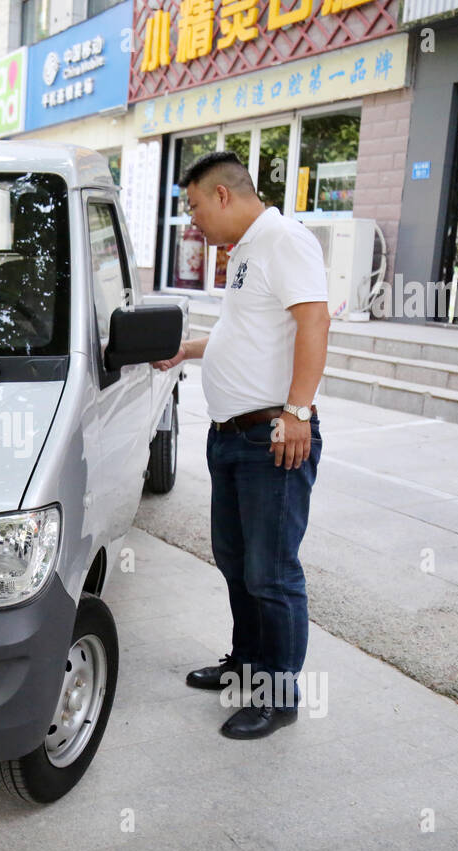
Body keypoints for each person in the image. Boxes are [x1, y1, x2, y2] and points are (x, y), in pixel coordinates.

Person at [152, 151, 330, 739]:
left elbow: (314, 322)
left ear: (223, 195)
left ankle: (279, 695)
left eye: (195, 206)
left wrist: (297, 412)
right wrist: (186, 350)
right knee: (236, 564)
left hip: (270, 438)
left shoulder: (284, 239)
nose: (193, 220)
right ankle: (249, 664)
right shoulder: (247, 252)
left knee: (271, 572)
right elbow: (241, 332)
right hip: (231, 437)